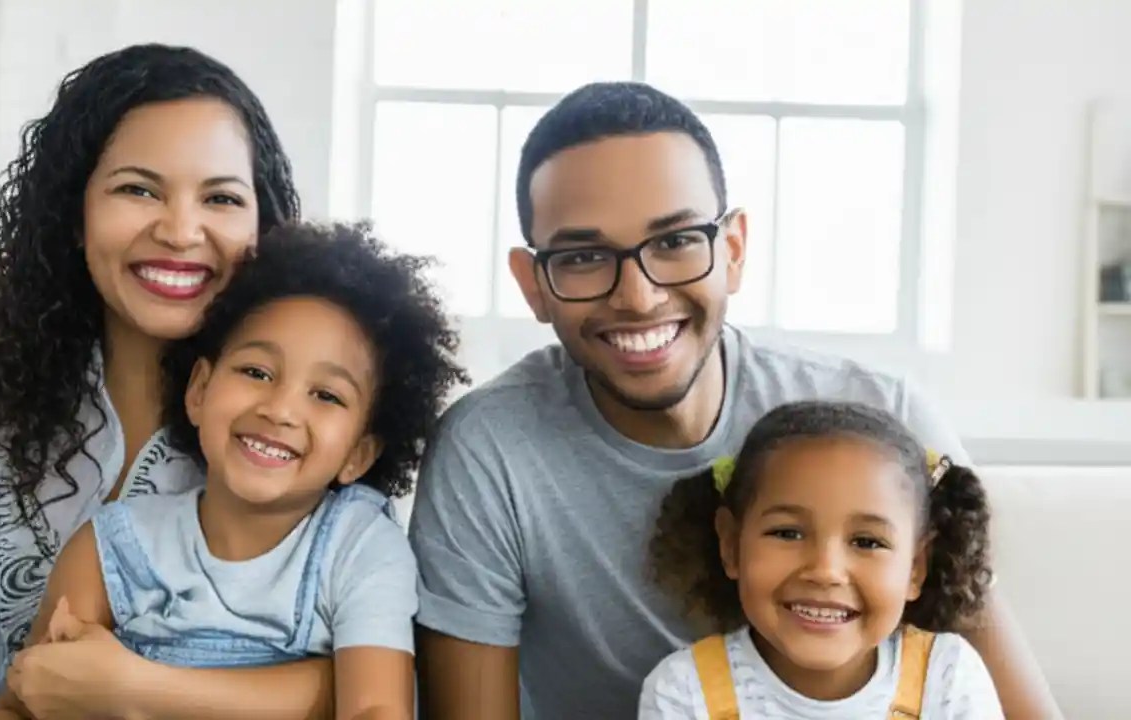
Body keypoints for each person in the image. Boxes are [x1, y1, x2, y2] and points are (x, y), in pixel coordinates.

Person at [408, 81, 1059, 719]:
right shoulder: (487, 449)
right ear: (533, 285)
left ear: (734, 250)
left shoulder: (882, 417)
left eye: (675, 242)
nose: (637, 296)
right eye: (583, 257)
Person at [0, 43, 310, 718]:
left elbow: (355, 682)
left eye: (221, 197)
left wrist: (136, 687)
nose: (182, 230)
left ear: (261, 228)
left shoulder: (300, 433)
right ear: (75, 212)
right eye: (138, 189)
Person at [0, 222, 466, 719]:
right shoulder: (113, 547)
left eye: (326, 395)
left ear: (359, 455)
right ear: (199, 391)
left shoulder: (360, 547)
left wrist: (132, 688)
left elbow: (376, 710)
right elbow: (25, 702)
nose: (280, 410)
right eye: (256, 372)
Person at [638, 400, 1003, 719]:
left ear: (915, 568)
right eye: (788, 533)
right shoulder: (686, 690)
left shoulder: (948, 677)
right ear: (731, 545)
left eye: (866, 541)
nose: (825, 571)